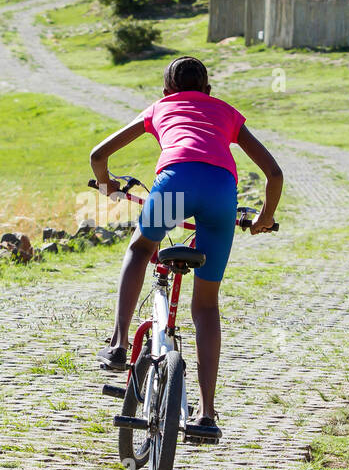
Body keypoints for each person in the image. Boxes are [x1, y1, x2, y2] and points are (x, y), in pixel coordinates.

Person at [88, 55, 282, 435]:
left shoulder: (161, 107)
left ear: (166, 92)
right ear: (209, 91)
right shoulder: (226, 112)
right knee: (206, 303)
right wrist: (264, 218)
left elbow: (98, 155)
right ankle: (206, 414)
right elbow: (273, 173)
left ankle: (118, 343)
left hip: (175, 188)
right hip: (220, 195)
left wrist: (107, 183)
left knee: (142, 249)